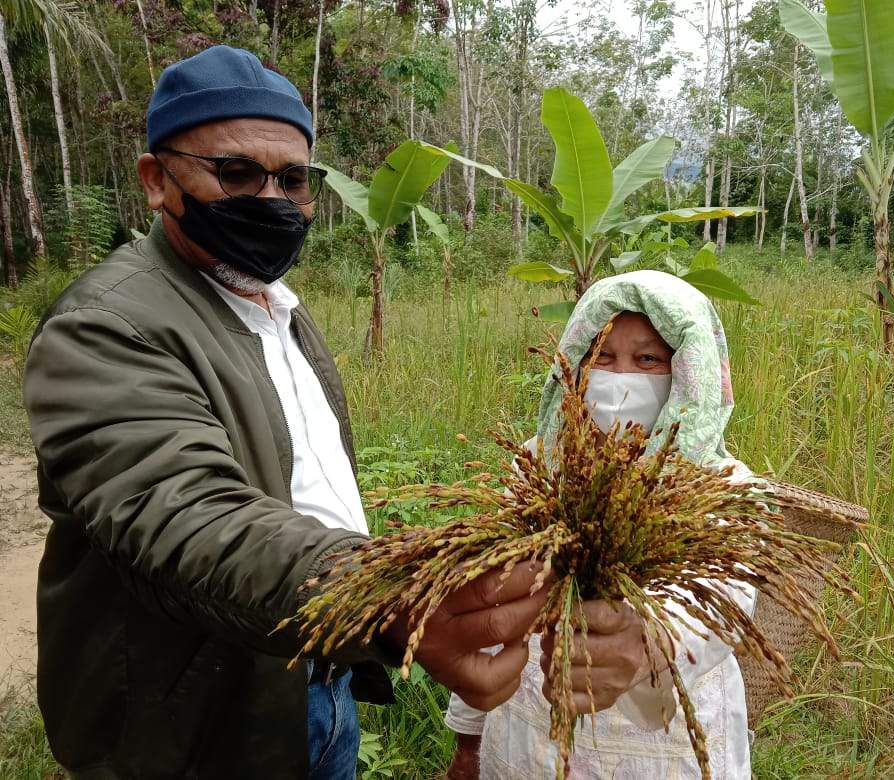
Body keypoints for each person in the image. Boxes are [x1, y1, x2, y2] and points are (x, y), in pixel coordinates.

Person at [23, 45, 547, 780]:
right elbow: (185, 515)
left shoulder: (276, 306)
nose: (271, 199)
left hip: (322, 677)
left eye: (292, 179)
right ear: (155, 179)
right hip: (195, 727)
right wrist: (385, 595)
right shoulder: (105, 325)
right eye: (236, 172)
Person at [444, 270, 757, 779]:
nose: (620, 379)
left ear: (688, 370)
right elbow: (490, 606)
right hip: (527, 744)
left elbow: (723, 606)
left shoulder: (722, 487)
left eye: (648, 360)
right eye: (602, 357)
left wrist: (645, 640)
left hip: (666, 759)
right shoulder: (536, 469)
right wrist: (467, 737)